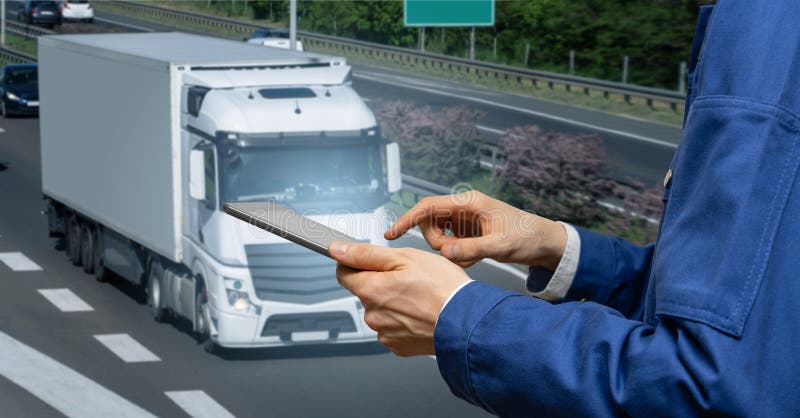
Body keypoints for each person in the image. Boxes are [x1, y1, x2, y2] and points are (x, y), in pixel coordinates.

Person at [330, 1, 800, 416]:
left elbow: (706, 391)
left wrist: (456, 317)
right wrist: (556, 246)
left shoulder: (764, 36)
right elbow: (754, 310)